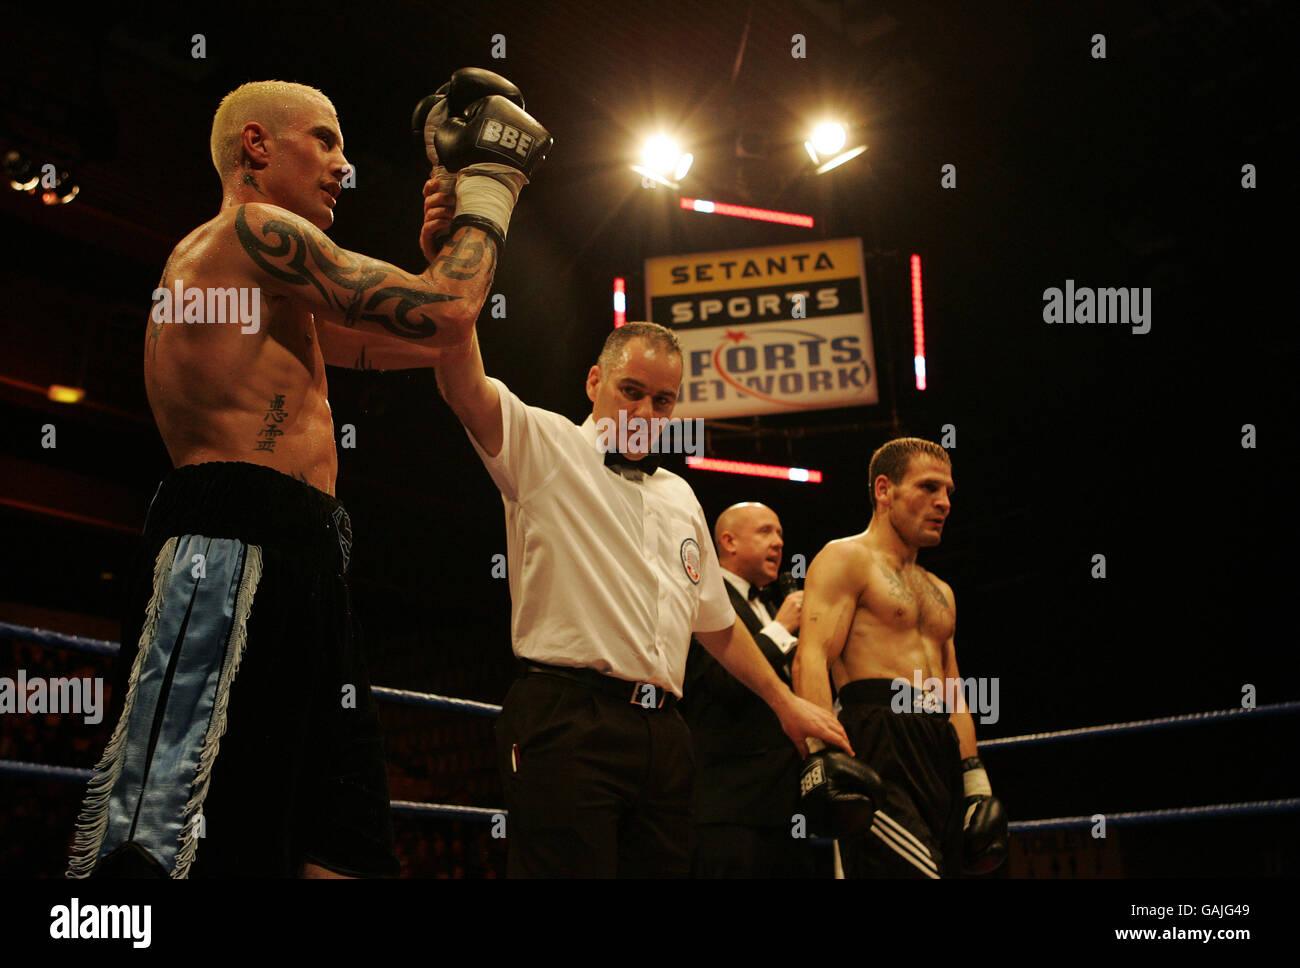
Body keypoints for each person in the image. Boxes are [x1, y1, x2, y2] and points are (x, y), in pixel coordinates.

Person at [67, 71, 548, 878]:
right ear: (256, 145)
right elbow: (448, 311)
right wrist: (492, 188)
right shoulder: (249, 233)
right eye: (324, 140)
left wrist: (442, 255)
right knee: (167, 843)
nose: (343, 165)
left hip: (311, 561)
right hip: (226, 547)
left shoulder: (279, 292)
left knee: (341, 843)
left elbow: (437, 333)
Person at [434, 320, 853, 877]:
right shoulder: (547, 447)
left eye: (662, 400)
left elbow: (717, 625)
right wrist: (456, 293)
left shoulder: (679, 494)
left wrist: (785, 704)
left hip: (667, 734)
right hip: (567, 717)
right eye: (630, 391)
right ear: (594, 382)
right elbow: (466, 388)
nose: (645, 413)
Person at [792, 437, 1007, 878]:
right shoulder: (846, 557)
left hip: (939, 746)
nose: (943, 503)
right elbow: (811, 656)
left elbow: (954, 691)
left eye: (948, 492)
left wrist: (975, 781)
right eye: (928, 488)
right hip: (877, 738)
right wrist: (821, 755)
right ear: (884, 490)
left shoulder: (940, 591)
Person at [680, 502, 828, 876]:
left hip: (785, 808)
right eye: (765, 532)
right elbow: (721, 682)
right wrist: (779, 629)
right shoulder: (705, 598)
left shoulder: (773, 602)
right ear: (728, 541)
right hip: (729, 807)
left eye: (779, 533)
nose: (778, 542)